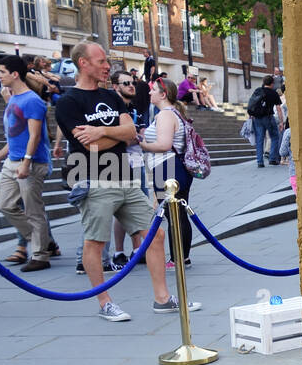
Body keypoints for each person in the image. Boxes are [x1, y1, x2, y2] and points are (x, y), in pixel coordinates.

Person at [54, 41, 196, 321]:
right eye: (101, 61)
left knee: (155, 233)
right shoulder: (68, 102)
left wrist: (102, 131)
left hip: (126, 177)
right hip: (94, 178)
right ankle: (104, 302)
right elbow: (90, 146)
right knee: (95, 242)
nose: (107, 66)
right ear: (83, 63)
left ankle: (163, 298)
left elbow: (132, 132)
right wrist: (113, 134)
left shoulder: (112, 95)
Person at [0, 55, 59, 272]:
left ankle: (40, 255)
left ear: (15, 74)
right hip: (11, 161)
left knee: (34, 211)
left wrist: (26, 163)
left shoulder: (32, 101)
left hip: (31, 163)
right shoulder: (13, 99)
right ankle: (41, 241)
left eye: (2, 72)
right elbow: (14, 135)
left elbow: (35, 136)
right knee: (5, 205)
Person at [140, 76, 194, 267]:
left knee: (174, 215)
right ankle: (181, 256)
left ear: (163, 94)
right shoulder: (172, 113)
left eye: (153, 89)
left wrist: (141, 143)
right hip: (172, 166)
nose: (149, 92)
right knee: (178, 213)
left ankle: (178, 257)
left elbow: (164, 144)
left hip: (168, 166)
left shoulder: (165, 115)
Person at [107, 69, 149, 270]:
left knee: (138, 207)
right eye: (126, 83)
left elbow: (139, 135)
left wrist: (128, 136)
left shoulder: (135, 109)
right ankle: (119, 252)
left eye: (132, 82)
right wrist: (126, 135)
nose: (131, 86)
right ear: (115, 86)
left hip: (137, 161)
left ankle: (136, 249)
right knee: (121, 208)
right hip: (118, 162)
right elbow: (124, 137)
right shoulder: (110, 110)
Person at [248, 75, 283, 168]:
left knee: (260, 139)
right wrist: (281, 122)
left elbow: (252, 103)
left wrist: (251, 115)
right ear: (272, 83)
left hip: (257, 118)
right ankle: (272, 159)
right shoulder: (273, 93)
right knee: (275, 137)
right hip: (268, 117)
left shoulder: (258, 91)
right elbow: (278, 108)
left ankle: (260, 161)